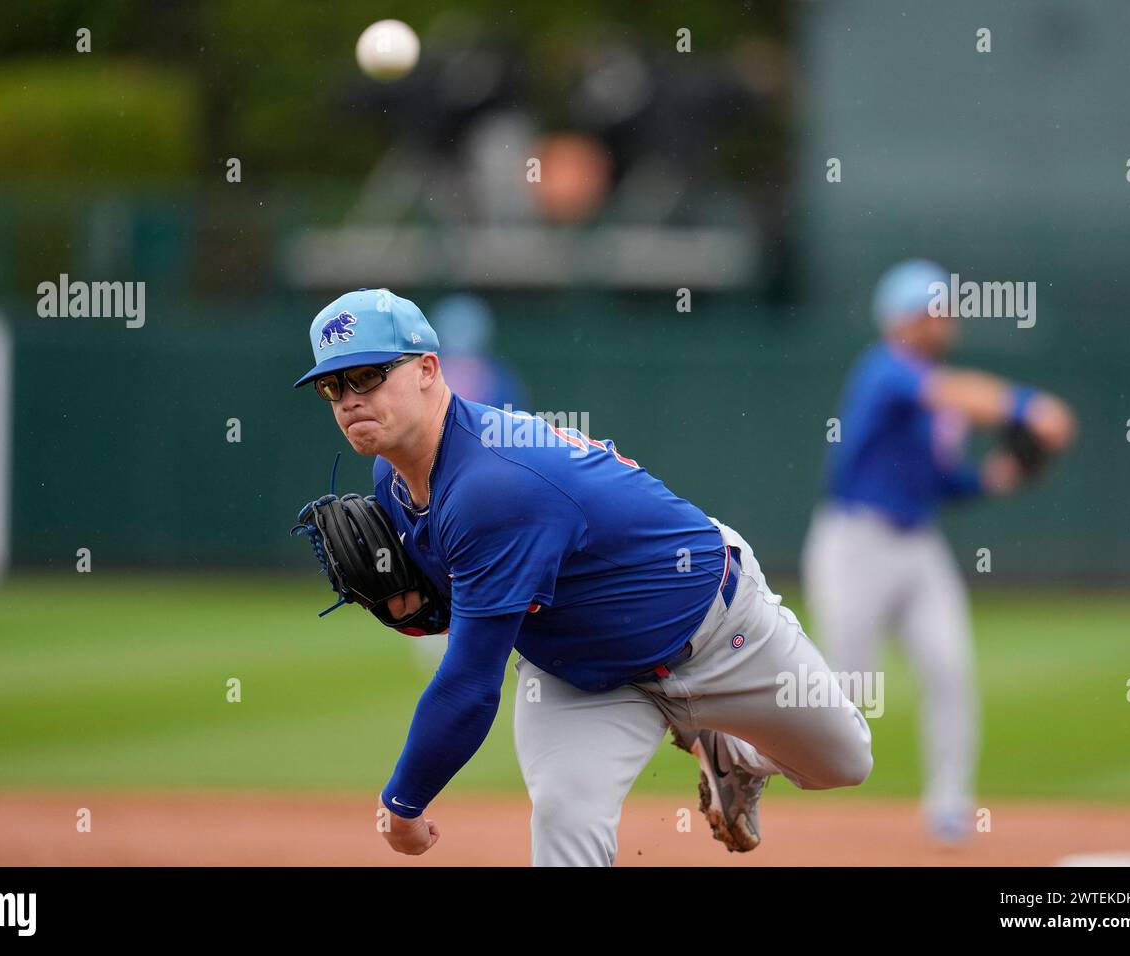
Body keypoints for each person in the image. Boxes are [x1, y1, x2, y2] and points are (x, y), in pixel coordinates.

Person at [294, 288, 873, 866]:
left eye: (368, 375)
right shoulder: (391, 477)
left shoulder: (492, 486)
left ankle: (731, 753)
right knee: (565, 821)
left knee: (845, 764)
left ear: (427, 369)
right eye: (332, 385)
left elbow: (470, 686)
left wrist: (403, 802)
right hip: (582, 679)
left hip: (716, 630)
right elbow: (461, 598)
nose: (348, 399)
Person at [801, 259, 1077, 844]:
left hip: (917, 544)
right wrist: (1029, 406)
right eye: (936, 308)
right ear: (905, 319)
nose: (947, 318)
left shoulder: (934, 396)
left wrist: (994, 479)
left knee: (949, 668)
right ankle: (744, 767)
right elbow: (959, 393)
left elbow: (941, 483)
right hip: (857, 543)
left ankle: (950, 806)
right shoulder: (886, 369)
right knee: (844, 691)